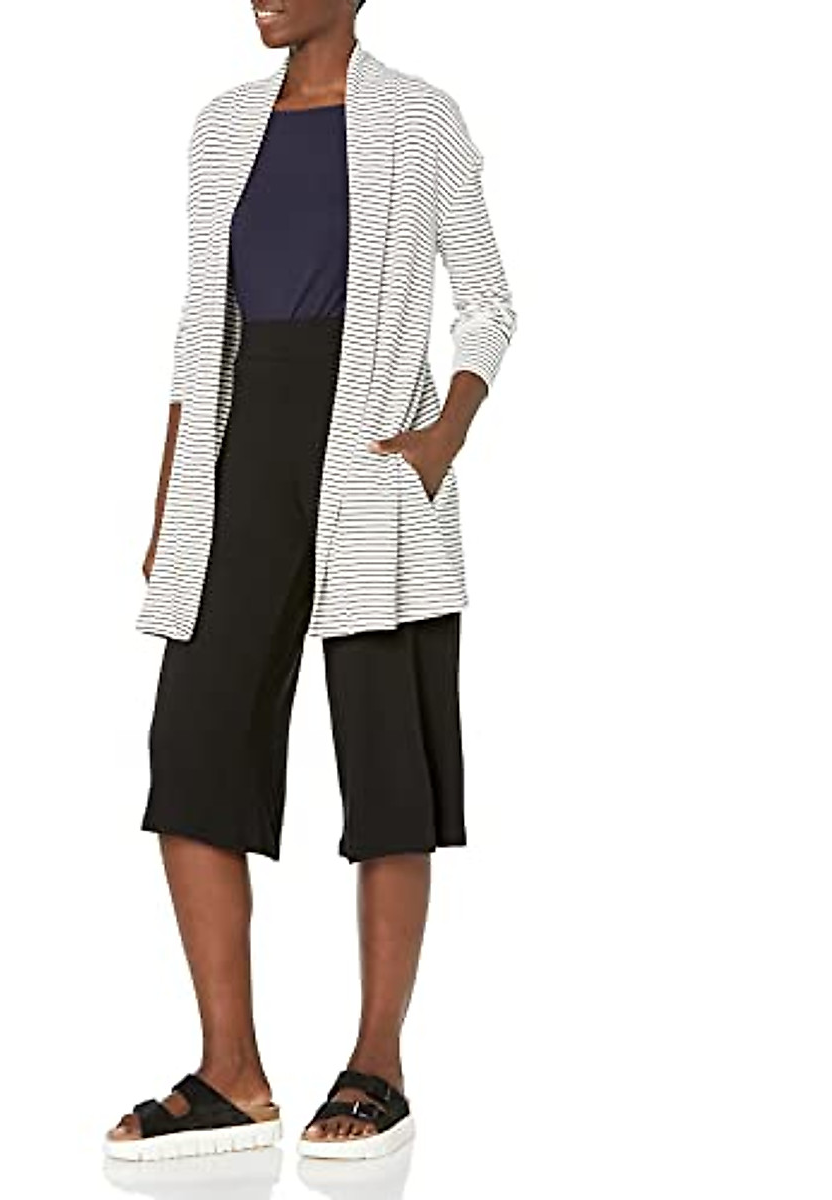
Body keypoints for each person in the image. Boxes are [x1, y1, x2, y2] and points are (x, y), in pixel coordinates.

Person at [106, 0, 516, 1163]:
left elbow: (489, 298)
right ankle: (230, 1073)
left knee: (389, 761)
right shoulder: (220, 125)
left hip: (374, 461)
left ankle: (377, 1065)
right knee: (193, 748)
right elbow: (198, 329)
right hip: (237, 456)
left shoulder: (421, 117)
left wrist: (441, 439)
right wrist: (172, 497)